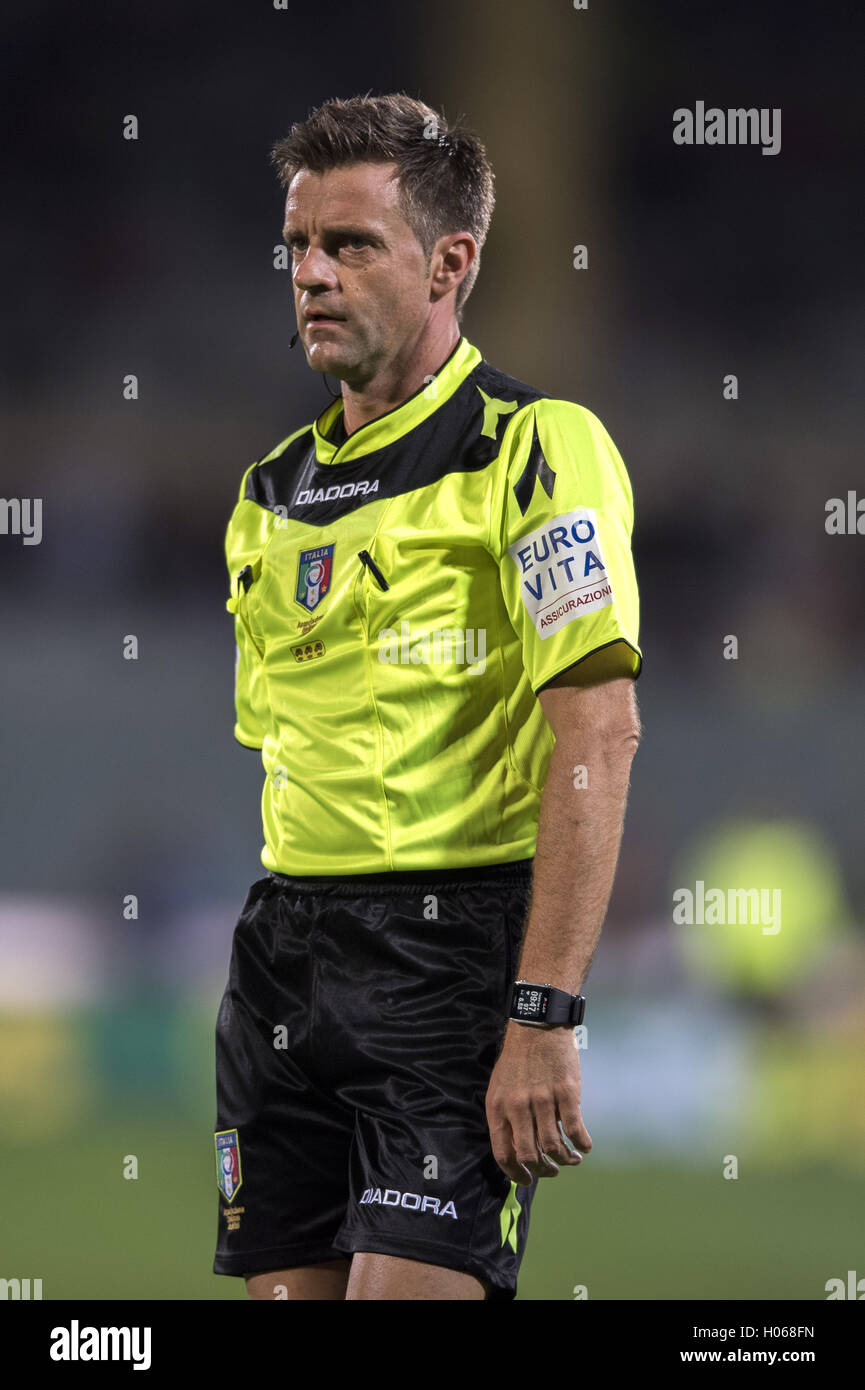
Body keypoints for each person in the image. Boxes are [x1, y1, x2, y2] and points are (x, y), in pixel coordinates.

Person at [213, 92, 642, 1302]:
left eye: (349, 244)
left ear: (450, 261)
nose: (311, 273)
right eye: (297, 245)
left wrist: (544, 1011)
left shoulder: (532, 449)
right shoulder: (267, 492)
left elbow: (597, 736)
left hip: (449, 960)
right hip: (283, 957)